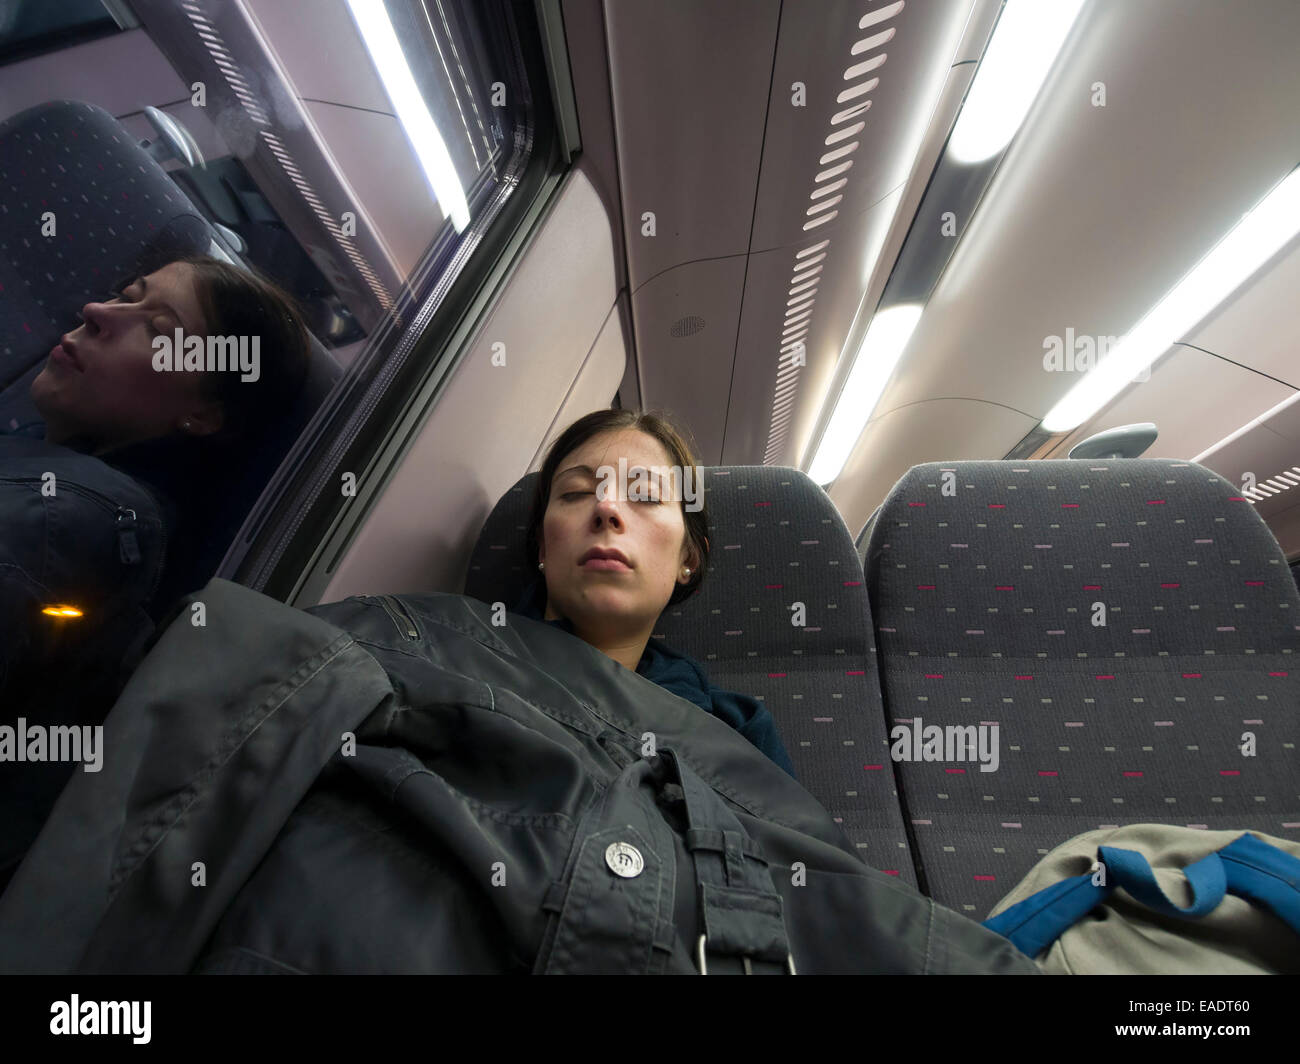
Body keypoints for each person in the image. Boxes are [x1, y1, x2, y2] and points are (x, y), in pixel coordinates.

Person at [0, 255, 312, 891]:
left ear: (202, 413)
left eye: (160, 331)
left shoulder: (81, 523)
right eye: (124, 295)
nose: (97, 312)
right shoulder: (52, 468)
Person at [512, 409, 796, 776]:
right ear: (543, 549)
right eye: (576, 492)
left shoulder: (739, 736)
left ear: (688, 559)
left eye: (646, 496)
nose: (606, 507)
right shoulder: (445, 651)